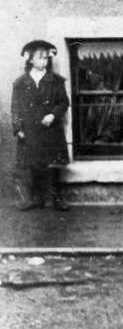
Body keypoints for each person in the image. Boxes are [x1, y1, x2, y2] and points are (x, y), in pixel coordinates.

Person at [10, 40, 71, 211]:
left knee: (53, 165)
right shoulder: (20, 83)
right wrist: (19, 128)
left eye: (46, 58)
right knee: (34, 163)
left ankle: (57, 198)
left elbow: (64, 102)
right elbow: (16, 108)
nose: (44, 61)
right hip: (31, 129)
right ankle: (38, 198)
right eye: (40, 58)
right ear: (30, 59)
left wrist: (53, 114)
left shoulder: (56, 81)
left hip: (51, 129)